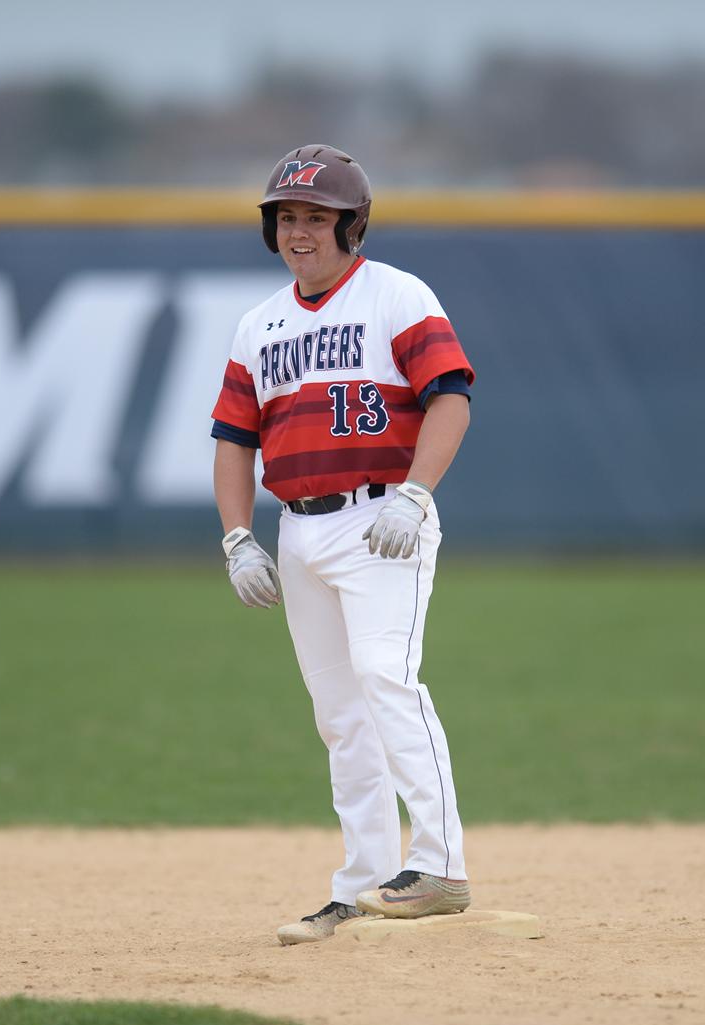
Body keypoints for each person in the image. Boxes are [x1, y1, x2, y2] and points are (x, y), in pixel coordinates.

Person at [210, 144, 476, 946]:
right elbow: (233, 439)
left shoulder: (398, 294)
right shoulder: (261, 324)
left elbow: (451, 400)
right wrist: (236, 536)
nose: (299, 231)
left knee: (384, 676)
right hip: (299, 527)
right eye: (286, 216)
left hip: (382, 519)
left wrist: (417, 494)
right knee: (339, 713)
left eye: (316, 217)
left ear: (352, 224)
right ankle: (362, 880)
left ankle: (439, 865)